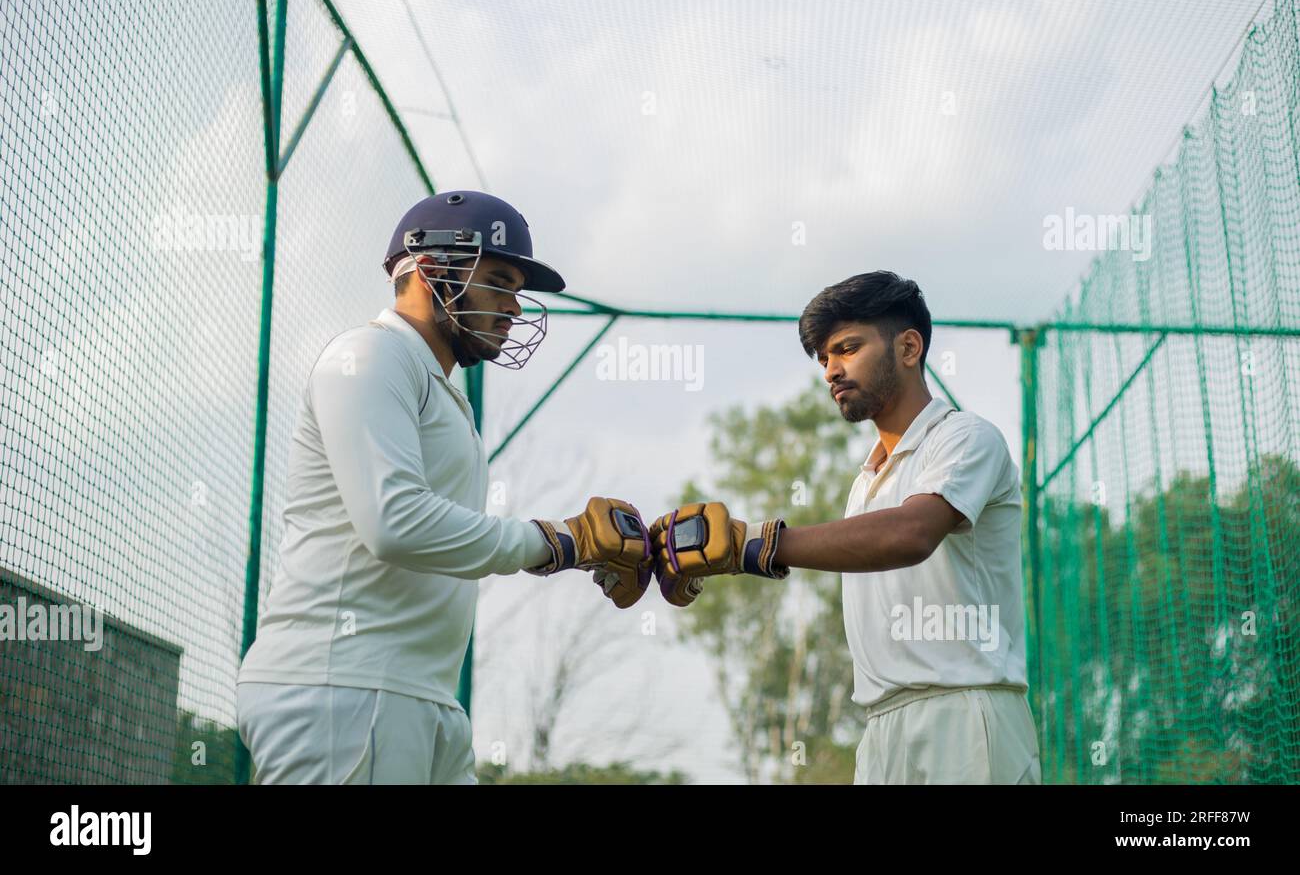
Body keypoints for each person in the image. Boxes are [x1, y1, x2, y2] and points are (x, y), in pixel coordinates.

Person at [237, 190, 652, 784]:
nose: (513, 308)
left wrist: (584, 552)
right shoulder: (369, 356)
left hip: (416, 695)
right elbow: (395, 523)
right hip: (342, 688)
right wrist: (561, 542)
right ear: (431, 270)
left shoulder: (438, 388)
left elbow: (436, 537)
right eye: (500, 282)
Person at [651, 271, 1041, 785]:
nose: (832, 370)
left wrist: (757, 546)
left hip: (965, 716)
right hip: (881, 728)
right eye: (823, 359)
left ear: (908, 347)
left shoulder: (966, 436)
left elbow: (910, 535)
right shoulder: (866, 482)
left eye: (847, 348)